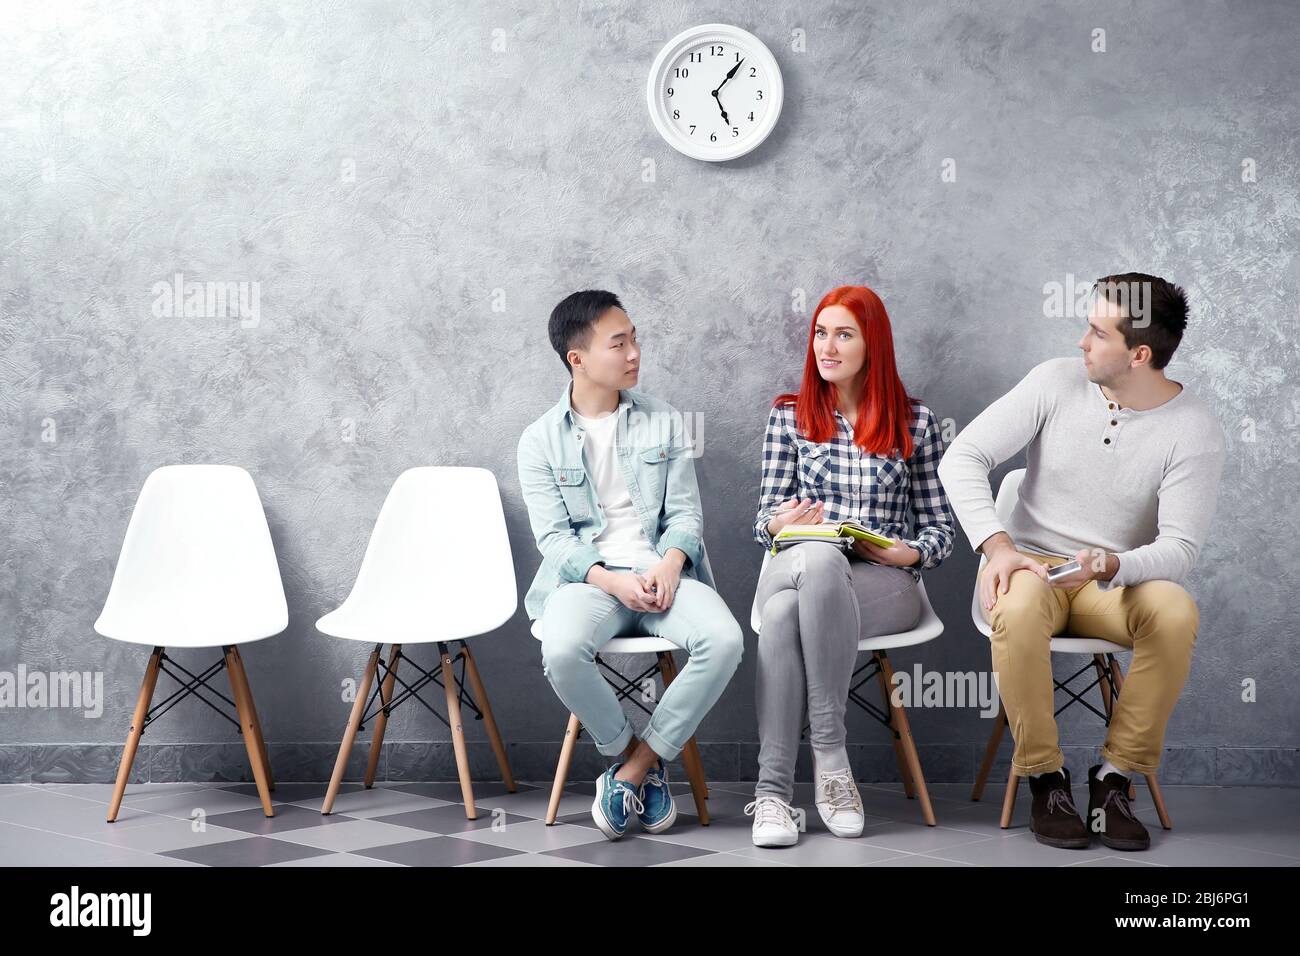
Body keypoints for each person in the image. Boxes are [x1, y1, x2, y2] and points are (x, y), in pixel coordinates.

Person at [937, 273, 1226, 851]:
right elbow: (962, 457)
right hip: (1032, 568)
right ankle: (1046, 779)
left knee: (1174, 611)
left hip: (1112, 584)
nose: (1082, 343)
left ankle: (1114, 780)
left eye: (1097, 332)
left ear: (1139, 354)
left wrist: (1113, 565)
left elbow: (1181, 549)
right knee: (1016, 612)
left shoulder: (1193, 429)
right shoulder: (1055, 382)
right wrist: (998, 546)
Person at [516, 289, 744, 841]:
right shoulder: (539, 440)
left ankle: (635, 771)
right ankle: (629, 756)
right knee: (563, 649)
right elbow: (555, 540)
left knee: (725, 639)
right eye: (620, 343)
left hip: (664, 576)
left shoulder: (663, 420)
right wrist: (612, 581)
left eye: (635, 338)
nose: (635, 352)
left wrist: (669, 567)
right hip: (590, 582)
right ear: (578, 358)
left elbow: (686, 514)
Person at [746, 285, 955, 847]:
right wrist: (781, 521)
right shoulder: (789, 416)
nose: (827, 347)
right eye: (820, 333)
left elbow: (940, 530)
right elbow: (762, 520)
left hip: (883, 581)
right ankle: (833, 763)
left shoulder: (917, 420)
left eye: (844, 334)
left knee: (788, 613)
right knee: (814, 558)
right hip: (796, 561)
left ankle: (772, 795)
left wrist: (903, 552)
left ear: (874, 344)